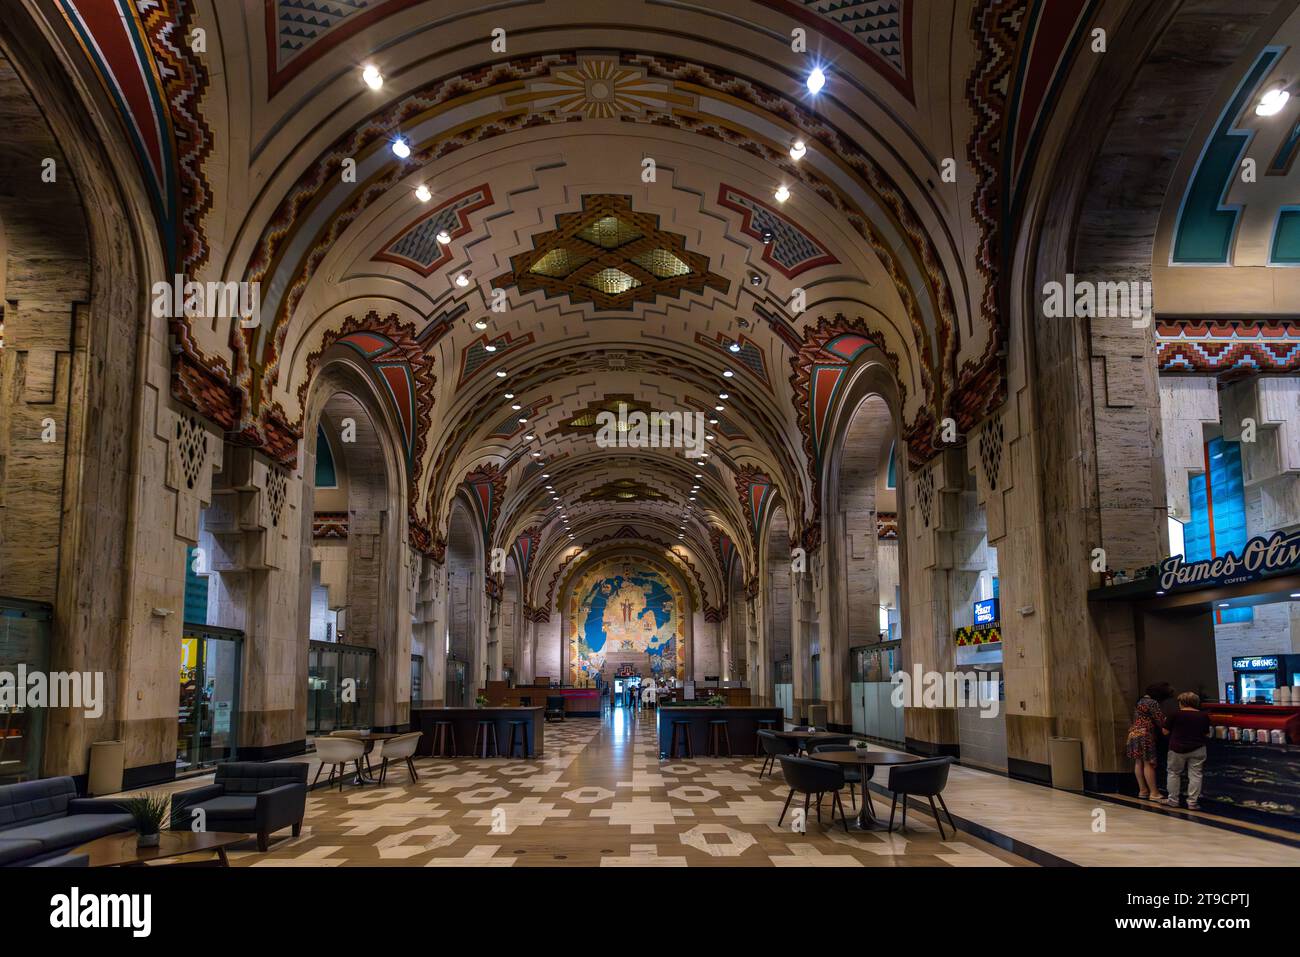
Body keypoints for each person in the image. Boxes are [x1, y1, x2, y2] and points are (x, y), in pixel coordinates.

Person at [1162, 691, 1211, 810]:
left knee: (1174, 773)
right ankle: (1192, 802)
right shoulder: (1203, 715)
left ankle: (1173, 800)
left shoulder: (1174, 714)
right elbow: (1207, 733)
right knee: (1196, 775)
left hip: (1177, 748)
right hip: (1198, 748)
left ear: (1182, 703)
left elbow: (1165, 731)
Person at [1125, 682, 1170, 800]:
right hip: (1145, 734)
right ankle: (1154, 793)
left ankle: (1142, 790)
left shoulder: (1139, 701)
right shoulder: (1152, 702)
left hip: (1134, 733)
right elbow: (1160, 719)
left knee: (1138, 763)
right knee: (1148, 763)